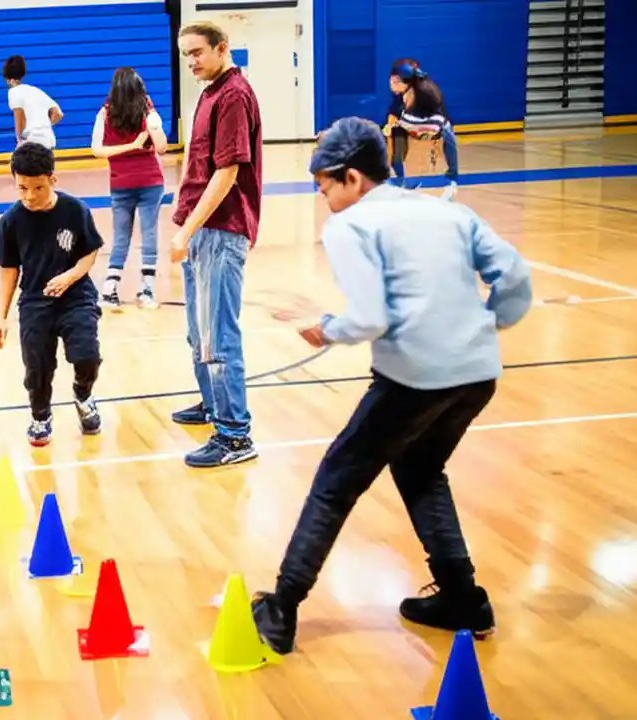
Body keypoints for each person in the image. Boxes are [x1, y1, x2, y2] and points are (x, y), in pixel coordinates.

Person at [249, 117, 533, 654]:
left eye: (325, 184)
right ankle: (462, 598)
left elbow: (370, 316)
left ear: (352, 178)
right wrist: (485, 325)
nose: (323, 196)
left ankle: (282, 606)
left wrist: (326, 329)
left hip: (414, 381)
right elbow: (514, 278)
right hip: (477, 375)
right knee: (421, 468)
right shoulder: (447, 211)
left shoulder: (350, 227)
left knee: (337, 479)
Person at [168, 22, 264, 468]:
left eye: (197, 53)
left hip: (222, 232)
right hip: (201, 230)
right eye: (186, 55)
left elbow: (227, 173)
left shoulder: (233, 96)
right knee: (198, 333)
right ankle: (212, 407)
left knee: (219, 337)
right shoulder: (209, 92)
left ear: (222, 49)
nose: (191, 62)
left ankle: (235, 435)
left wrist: (186, 232)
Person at [0, 142, 103, 446]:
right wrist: (1, 316)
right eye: (22, 188)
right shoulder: (11, 222)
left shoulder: (75, 210)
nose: (29, 196)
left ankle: (83, 394)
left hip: (76, 296)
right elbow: (9, 270)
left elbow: (89, 253)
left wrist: (70, 276)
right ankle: (40, 416)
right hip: (35, 302)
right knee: (37, 365)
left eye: (37, 188)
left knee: (87, 355)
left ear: (53, 179)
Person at [90, 67, 168, 310]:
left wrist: (146, 135)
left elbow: (97, 150)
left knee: (121, 237)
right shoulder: (146, 109)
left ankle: (109, 289)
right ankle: (147, 289)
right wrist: (135, 144)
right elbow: (163, 147)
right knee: (149, 233)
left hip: (122, 183)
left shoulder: (106, 113)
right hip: (150, 182)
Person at [384, 59, 460, 200]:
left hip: (429, 126)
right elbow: (393, 114)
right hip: (421, 126)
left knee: (446, 132)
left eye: (393, 80)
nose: (391, 83)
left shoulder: (425, 93)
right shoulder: (404, 94)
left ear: (397, 80)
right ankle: (401, 177)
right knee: (392, 136)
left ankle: (451, 177)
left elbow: (440, 121)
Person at [2, 54, 63, 150]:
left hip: (32, 141)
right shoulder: (36, 91)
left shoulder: (13, 92)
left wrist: (19, 141)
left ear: (7, 79)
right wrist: (44, 126)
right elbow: (58, 114)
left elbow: (20, 118)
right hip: (49, 140)